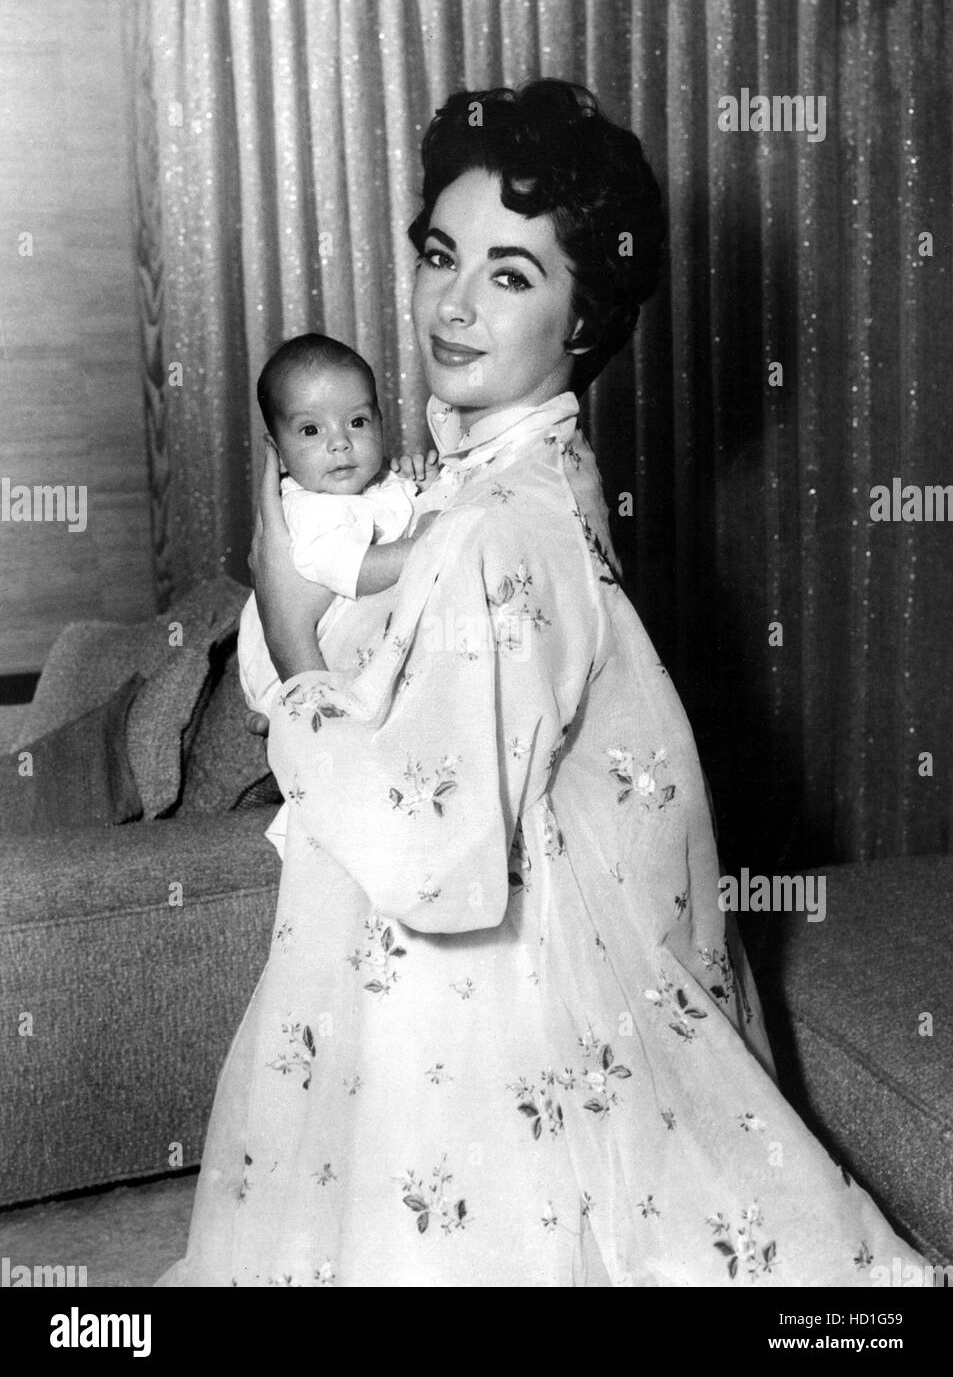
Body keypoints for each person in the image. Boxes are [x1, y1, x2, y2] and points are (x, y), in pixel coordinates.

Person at [158, 80, 929, 1287]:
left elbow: (430, 851)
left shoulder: (499, 523)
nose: (453, 305)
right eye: (439, 255)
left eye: (512, 275)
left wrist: (292, 631)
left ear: (583, 320)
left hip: (483, 990)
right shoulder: (505, 482)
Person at [238, 332, 439, 856]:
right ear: (279, 453)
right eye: (310, 429)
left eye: (357, 422)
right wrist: (429, 542)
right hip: (288, 679)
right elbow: (360, 570)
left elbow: (396, 503)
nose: (340, 443)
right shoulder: (306, 513)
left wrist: (418, 477)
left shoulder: (362, 487)